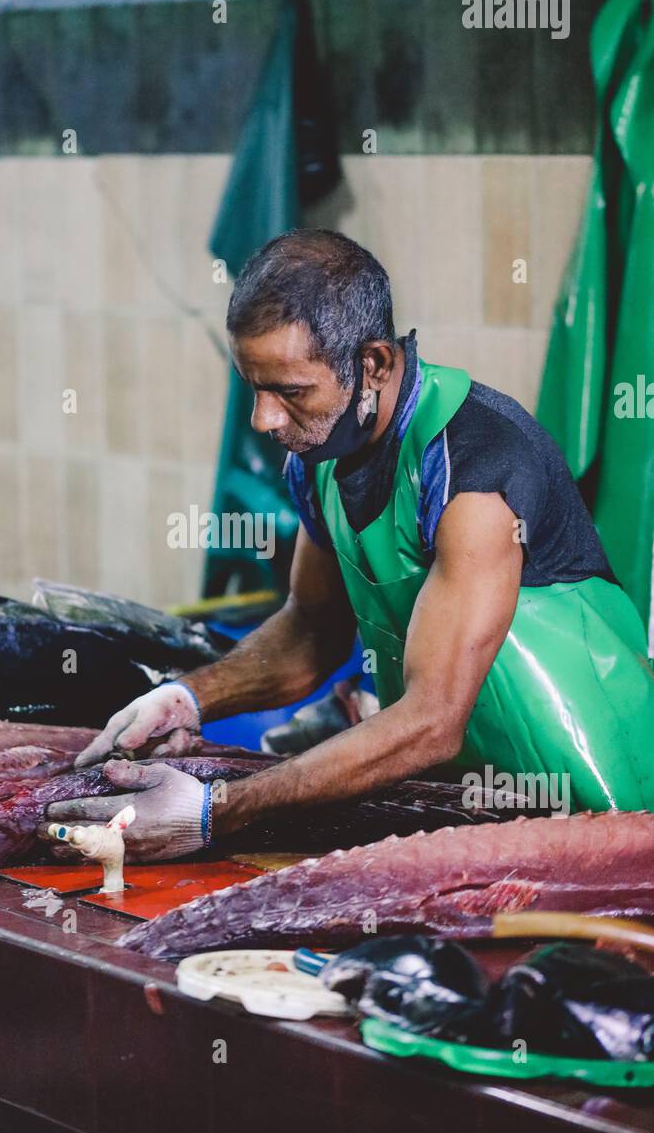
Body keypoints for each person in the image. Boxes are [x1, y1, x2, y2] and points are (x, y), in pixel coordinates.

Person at [69, 230, 654, 862]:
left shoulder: (475, 469)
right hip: (475, 799)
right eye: (254, 387)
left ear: (372, 364)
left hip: (605, 802)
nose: (263, 420)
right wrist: (187, 698)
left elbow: (432, 720)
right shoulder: (323, 455)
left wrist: (218, 811)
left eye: (291, 391)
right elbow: (310, 634)